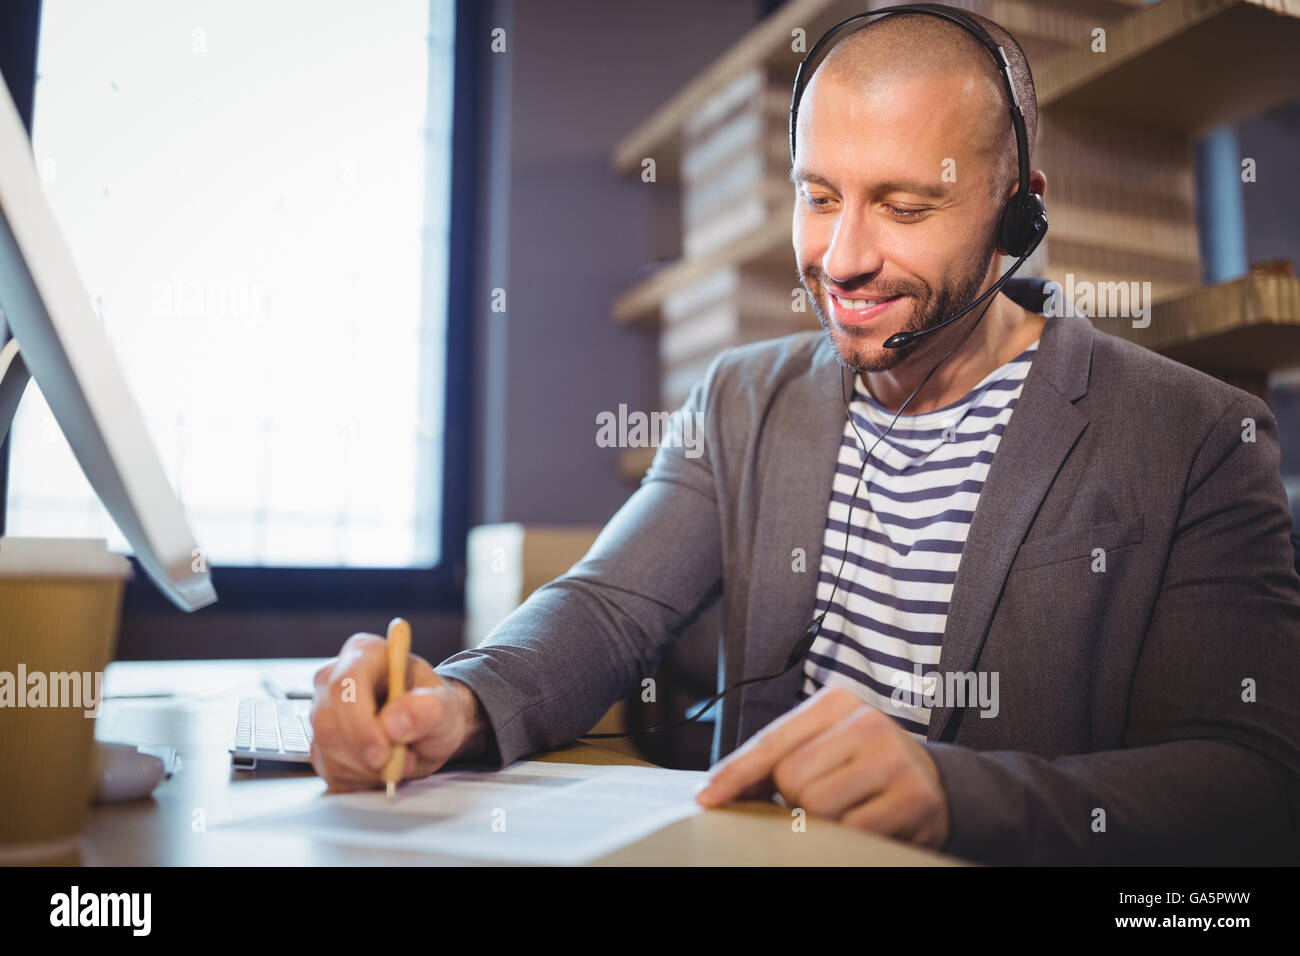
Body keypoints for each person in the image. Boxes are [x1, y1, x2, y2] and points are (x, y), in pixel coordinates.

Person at [308, 10, 1300, 864]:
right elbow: (606, 608)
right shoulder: (741, 394)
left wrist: (954, 793)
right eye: (818, 195)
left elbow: (1250, 777)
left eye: (906, 205)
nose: (842, 257)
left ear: (1017, 207)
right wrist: (457, 704)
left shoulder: (1199, 435)